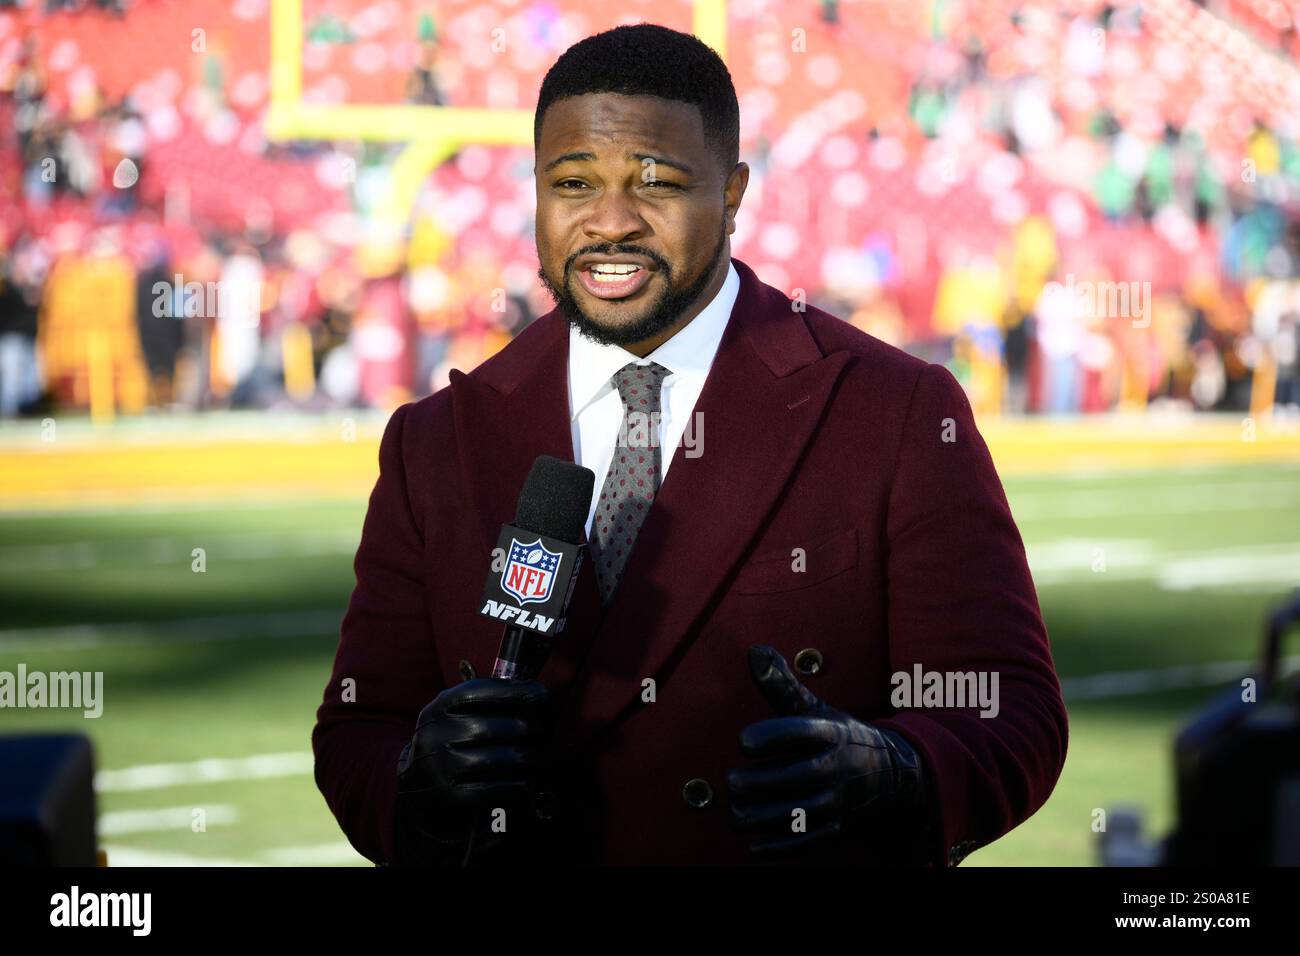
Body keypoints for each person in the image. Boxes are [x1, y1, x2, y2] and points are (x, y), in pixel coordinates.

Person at [312, 24, 1068, 867]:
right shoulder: (433, 440)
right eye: (573, 183)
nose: (609, 222)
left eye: (657, 183)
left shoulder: (893, 409)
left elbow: (1010, 710)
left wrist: (899, 769)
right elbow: (358, 729)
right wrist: (419, 780)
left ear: (734, 193)